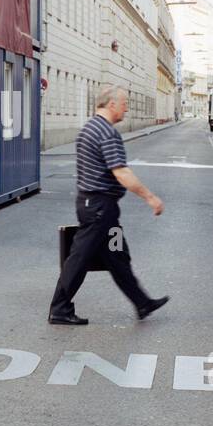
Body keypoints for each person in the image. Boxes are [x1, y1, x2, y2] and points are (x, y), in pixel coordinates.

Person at [49, 85, 169, 326]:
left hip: (100, 209)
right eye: (124, 103)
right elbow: (121, 172)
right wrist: (150, 197)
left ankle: (142, 303)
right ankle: (60, 308)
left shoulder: (90, 127)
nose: (126, 108)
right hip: (99, 209)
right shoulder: (106, 132)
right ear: (112, 104)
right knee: (79, 258)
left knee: (117, 254)